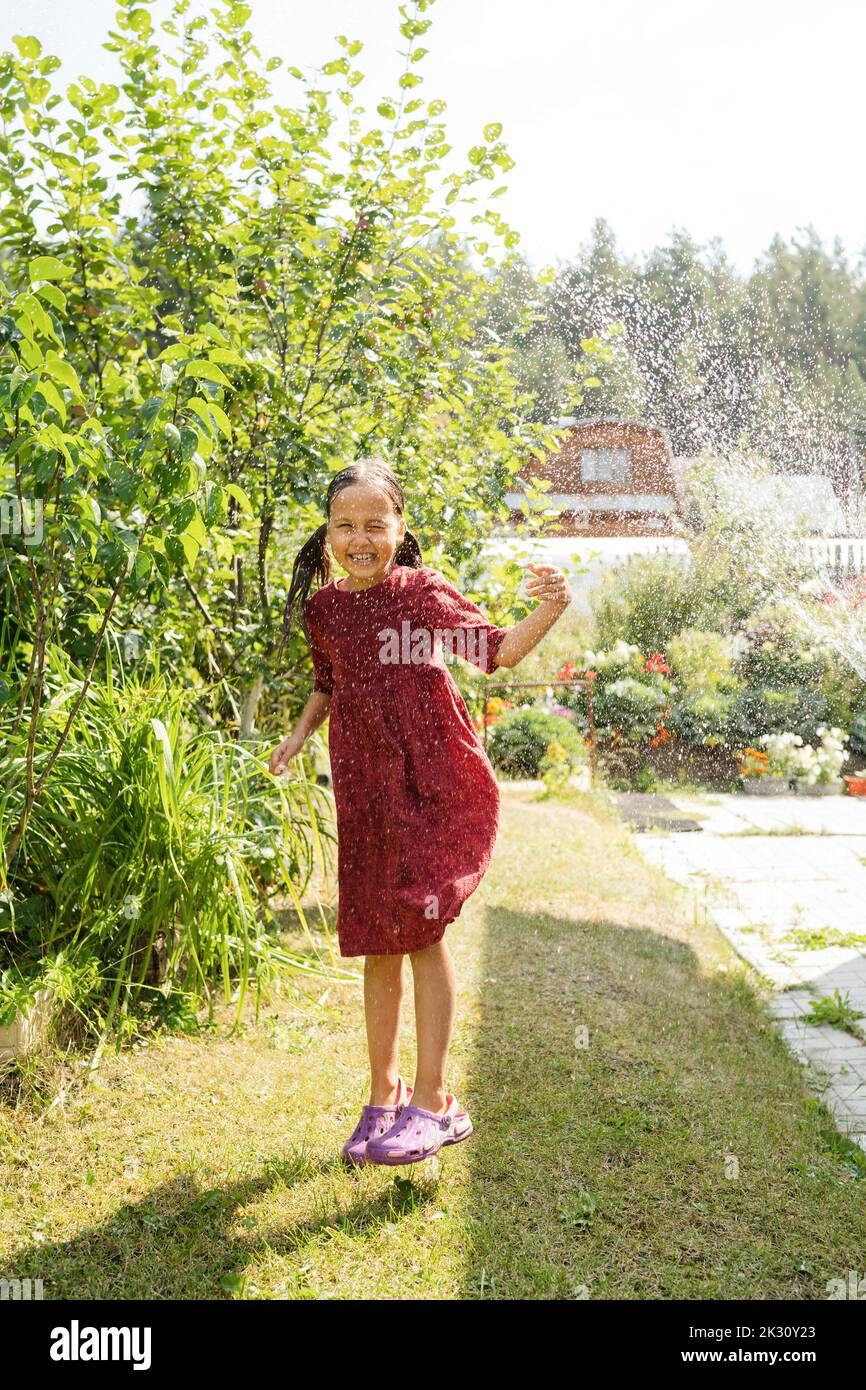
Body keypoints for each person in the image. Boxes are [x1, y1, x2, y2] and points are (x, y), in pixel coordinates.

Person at [269, 458, 571, 1166]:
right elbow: (327, 682)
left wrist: (551, 608)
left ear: (400, 530)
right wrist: (298, 734)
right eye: (345, 525)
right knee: (378, 935)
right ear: (328, 533)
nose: (360, 537)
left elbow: (495, 650)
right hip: (366, 786)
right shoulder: (324, 609)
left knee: (421, 927)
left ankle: (434, 1101)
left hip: (435, 781)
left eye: (376, 523)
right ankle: (383, 1095)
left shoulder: (420, 592)